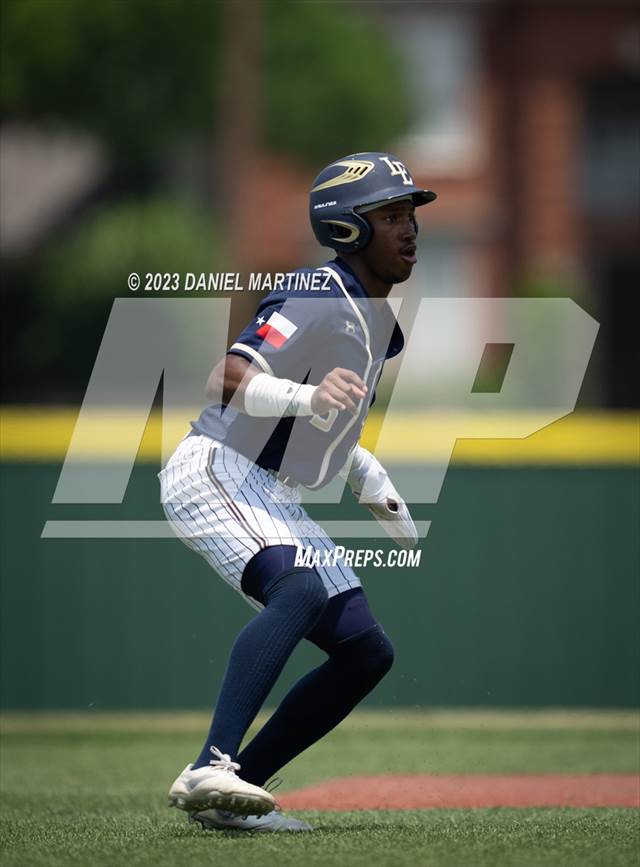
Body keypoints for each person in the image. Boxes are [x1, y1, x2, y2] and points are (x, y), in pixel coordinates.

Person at [161, 152, 436, 833]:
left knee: (366, 650)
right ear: (348, 227)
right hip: (218, 465)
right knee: (303, 588)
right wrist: (307, 394)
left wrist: (368, 476)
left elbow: (327, 431)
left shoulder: (374, 322)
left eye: (411, 215)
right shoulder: (318, 290)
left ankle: (231, 797)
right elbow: (225, 378)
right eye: (391, 215)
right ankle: (210, 764)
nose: (409, 230)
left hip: (269, 484)